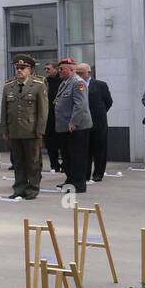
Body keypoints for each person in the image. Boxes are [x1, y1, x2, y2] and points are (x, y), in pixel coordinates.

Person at [0, 54, 47, 200]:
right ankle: (19, 188)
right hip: (14, 130)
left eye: (23, 68)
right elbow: (4, 111)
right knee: (18, 162)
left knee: (32, 162)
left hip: (31, 130)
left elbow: (43, 111)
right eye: (17, 68)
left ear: (30, 70)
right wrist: (4, 130)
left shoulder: (38, 86)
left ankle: (32, 188)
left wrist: (40, 130)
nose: (19, 71)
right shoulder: (8, 87)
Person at [53, 58, 92, 194]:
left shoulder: (78, 82)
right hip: (64, 127)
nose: (59, 72)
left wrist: (73, 122)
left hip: (77, 127)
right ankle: (70, 180)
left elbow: (80, 104)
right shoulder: (65, 83)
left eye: (62, 69)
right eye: (59, 69)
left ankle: (79, 184)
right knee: (67, 156)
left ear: (71, 70)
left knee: (77, 156)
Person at [75, 62, 113, 182]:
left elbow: (108, 102)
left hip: (98, 122)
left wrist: (99, 113)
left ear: (89, 72)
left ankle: (98, 173)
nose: (79, 75)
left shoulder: (100, 85)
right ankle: (85, 174)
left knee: (99, 149)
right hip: (82, 122)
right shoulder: (75, 84)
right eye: (77, 73)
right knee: (84, 150)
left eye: (81, 73)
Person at [43, 60, 62, 172]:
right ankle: (54, 164)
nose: (46, 71)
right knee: (50, 143)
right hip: (48, 117)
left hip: (60, 116)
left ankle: (65, 164)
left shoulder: (62, 81)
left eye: (48, 69)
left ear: (55, 69)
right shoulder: (45, 82)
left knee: (62, 142)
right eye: (45, 69)